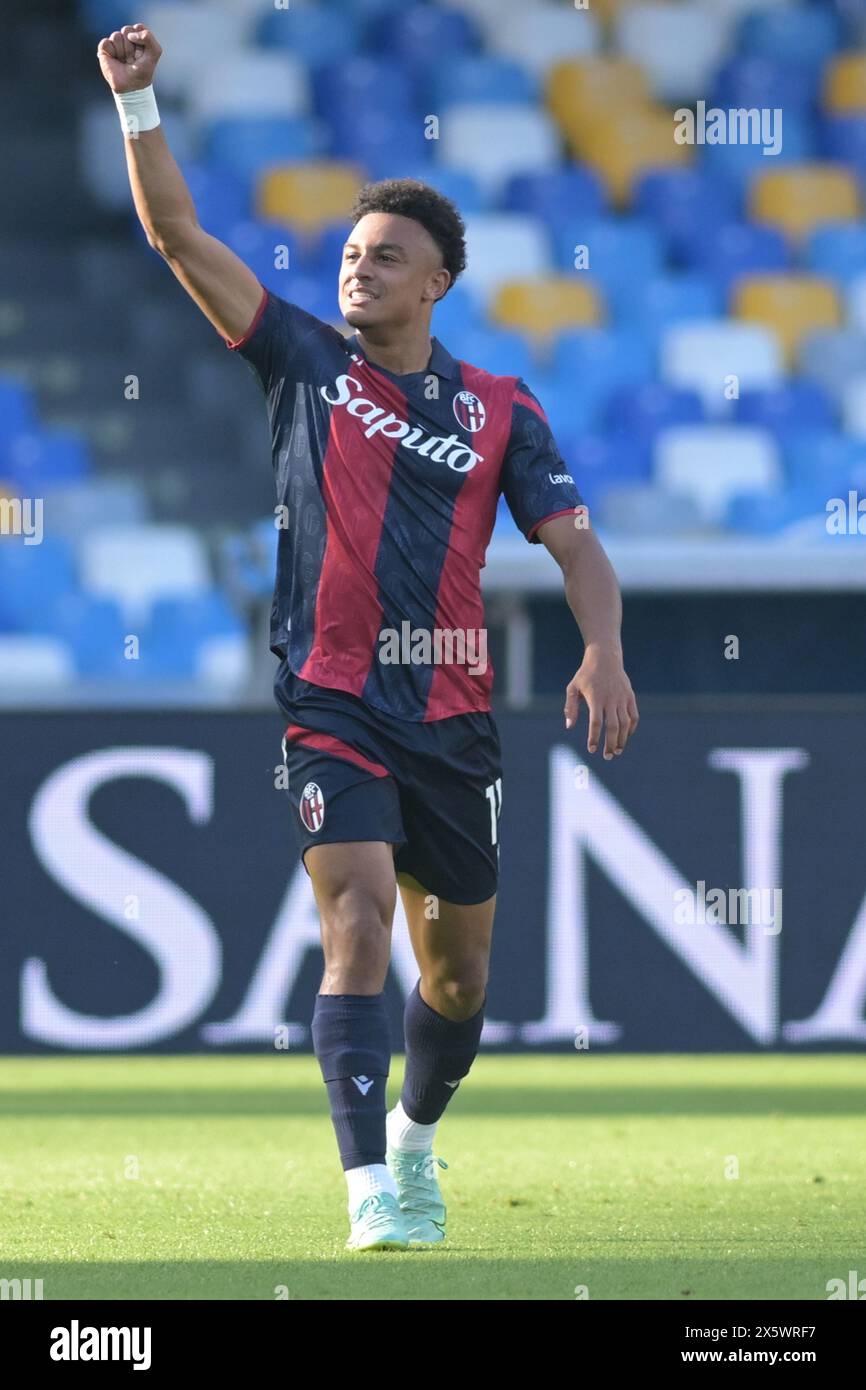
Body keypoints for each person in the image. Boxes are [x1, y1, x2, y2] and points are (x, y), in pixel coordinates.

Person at [98, 23, 639, 1252]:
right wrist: (138, 107)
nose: (358, 272)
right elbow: (178, 237)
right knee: (352, 920)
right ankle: (365, 1197)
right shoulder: (301, 361)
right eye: (349, 255)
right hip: (328, 695)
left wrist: (600, 649)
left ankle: (415, 1139)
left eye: (384, 258)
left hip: (449, 710)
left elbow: (576, 548)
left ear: (434, 279)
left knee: (456, 983)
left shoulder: (501, 410)